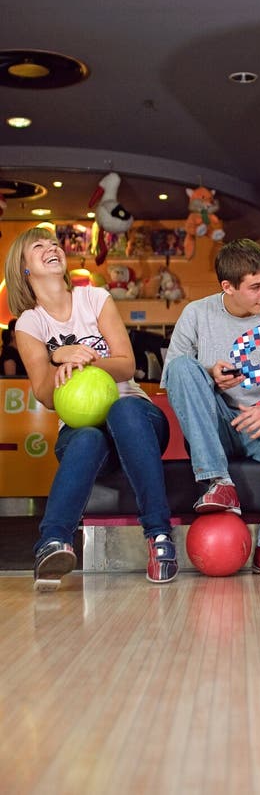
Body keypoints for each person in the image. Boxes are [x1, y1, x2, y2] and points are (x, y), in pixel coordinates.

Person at [5, 226, 178, 591]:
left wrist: (82, 360)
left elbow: (126, 366)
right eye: (39, 246)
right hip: (83, 431)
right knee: (85, 438)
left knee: (122, 410)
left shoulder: (95, 298)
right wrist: (57, 355)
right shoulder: (30, 323)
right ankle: (53, 543)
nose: (52, 247)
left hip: (136, 419)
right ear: (23, 268)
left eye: (54, 243)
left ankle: (159, 535)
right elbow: (45, 394)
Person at [161, 238, 260, 578]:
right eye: (255, 287)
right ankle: (218, 482)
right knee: (181, 366)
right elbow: (174, 379)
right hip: (216, 427)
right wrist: (209, 375)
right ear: (228, 287)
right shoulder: (197, 314)